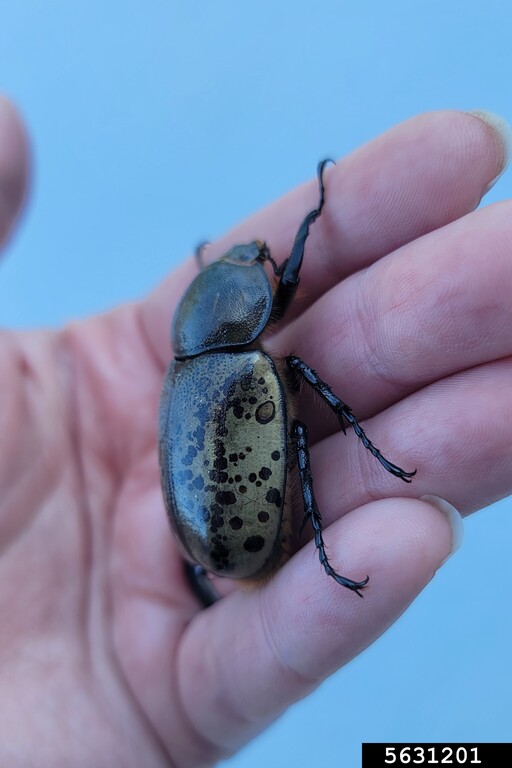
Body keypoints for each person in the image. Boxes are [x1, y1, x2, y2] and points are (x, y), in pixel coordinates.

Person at [0, 98, 510, 766]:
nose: (264, 262)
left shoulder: (181, 373)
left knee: (300, 440)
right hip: (239, 537)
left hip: (218, 543)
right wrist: (308, 224)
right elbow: (294, 289)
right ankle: (325, 533)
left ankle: (320, 533)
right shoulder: (242, 362)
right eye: (252, 271)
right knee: (300, 439)